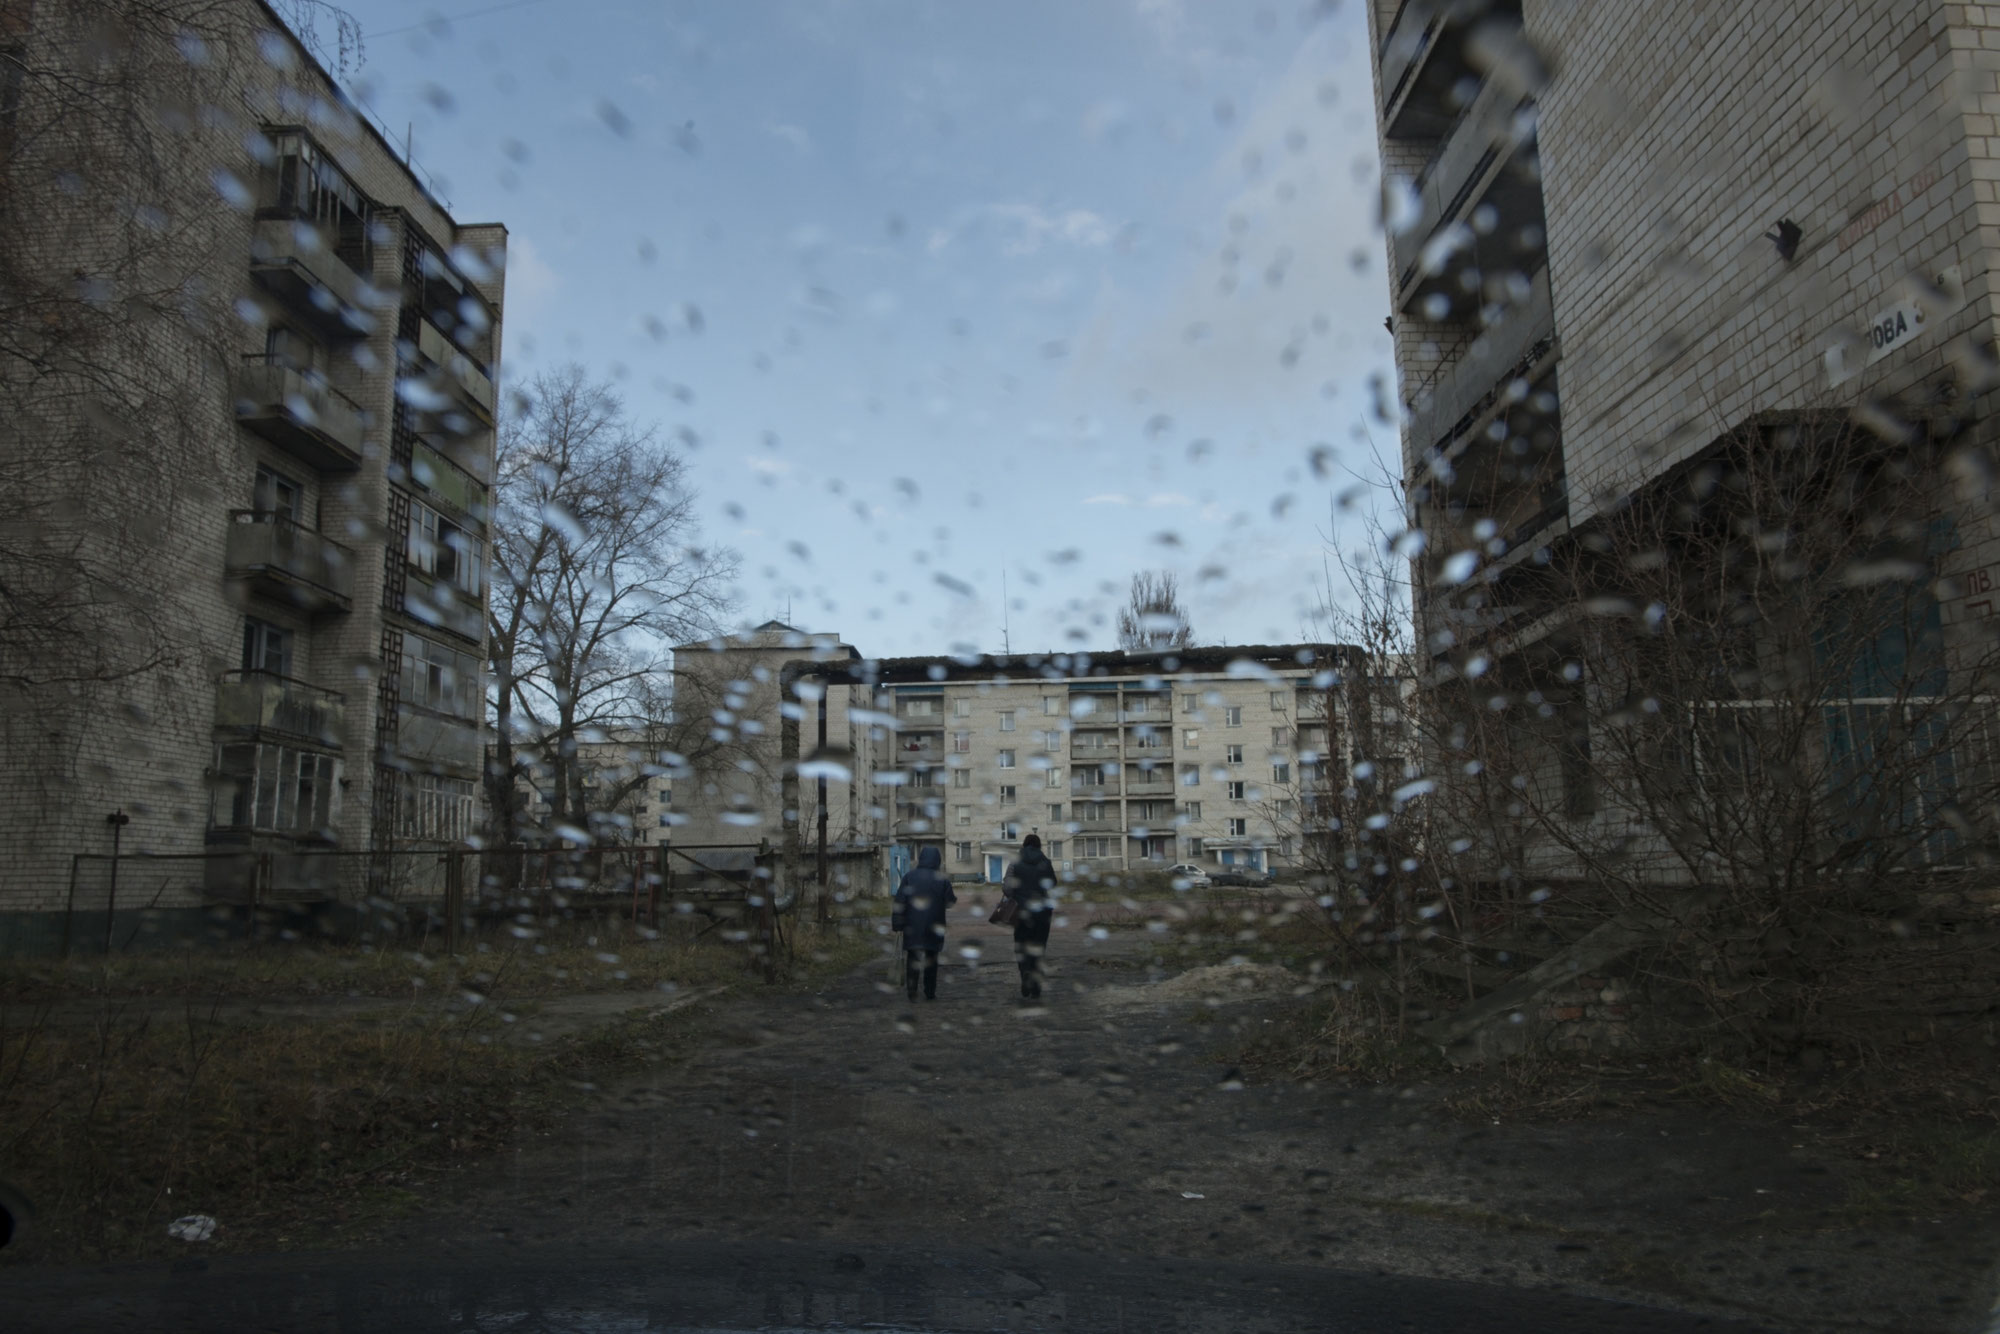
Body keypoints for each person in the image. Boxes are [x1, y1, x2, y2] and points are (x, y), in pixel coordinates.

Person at [892, 845, 956, 1001]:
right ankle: (930, 992)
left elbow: (900, 901)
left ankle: (912, 992)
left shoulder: (909, 877)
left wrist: (897, 924)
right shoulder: (942, 880)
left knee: (913, 957)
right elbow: (950, 902)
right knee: (931, 959)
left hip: (912, 925)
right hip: (934, 925)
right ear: (937, 860)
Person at [1001, 832, 1057, 1001]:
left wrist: (1016, 896)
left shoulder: (1015, 863)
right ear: (1039, 846)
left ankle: (1025, 971)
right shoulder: (1045, 862)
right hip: (1042, 913)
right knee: (1039, 948)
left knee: (1021, 946)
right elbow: (1052, 883)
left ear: (1024, 846)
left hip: (1021, 913)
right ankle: (1036, 988)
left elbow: (1007, 888)